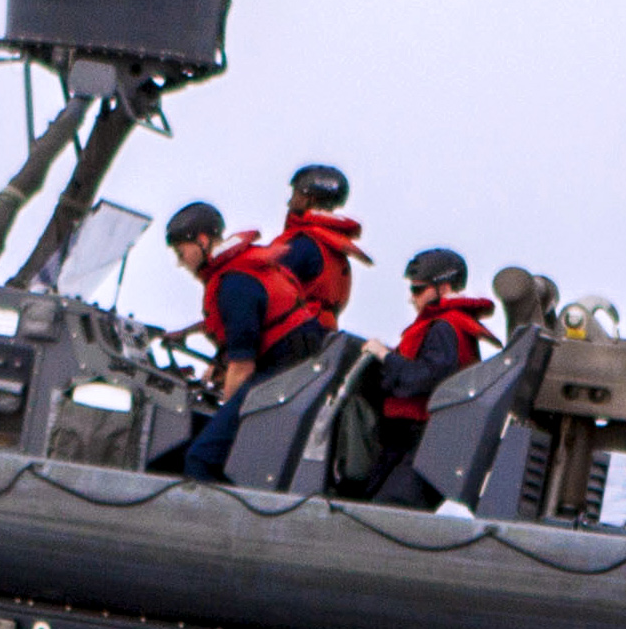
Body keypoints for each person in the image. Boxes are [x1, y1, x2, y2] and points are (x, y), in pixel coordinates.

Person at [168, 202, 334, 485]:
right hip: (298, 369)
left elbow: (242, 366)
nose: (180, 262)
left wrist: (227, 409)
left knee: (201, 458)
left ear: (202, 241)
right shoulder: (246, 268)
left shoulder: (233, 283)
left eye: (181, 252)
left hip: (282, 374)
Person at [361, 247, 494, 500]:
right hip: (412, 443)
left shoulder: (443, 327)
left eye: (418, 289)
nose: (412, 298)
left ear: (443, 288)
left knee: (389, 508)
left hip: (422, 443)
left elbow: (427, 378)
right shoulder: (450, 325)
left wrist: (385, 356)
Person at [276, 164, 370, 322]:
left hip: (295, 330)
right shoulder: (332, 247)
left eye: (295, 194)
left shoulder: (304, 246)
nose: (289, 202)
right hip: (322, 330)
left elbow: (266, 290)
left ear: (308, 199)